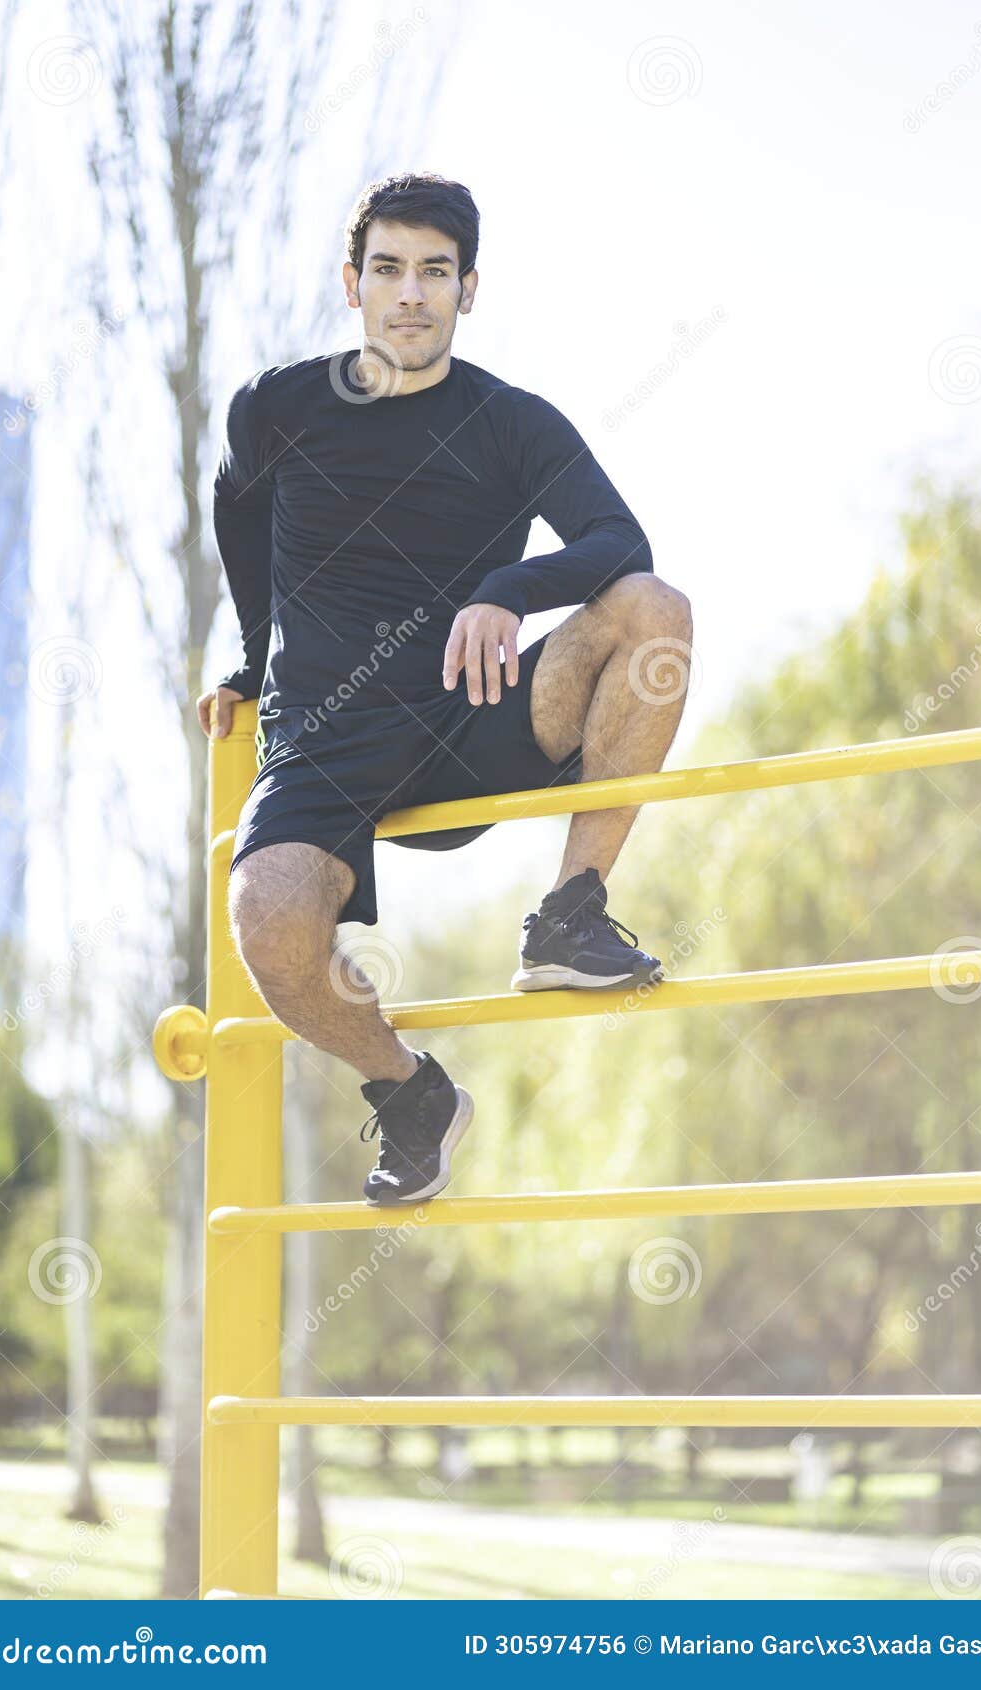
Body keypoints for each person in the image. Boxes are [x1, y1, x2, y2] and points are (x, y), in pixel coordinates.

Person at [196, 172, 693, 1206]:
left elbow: (620, 541)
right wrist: (251, 655)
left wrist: (508, 590)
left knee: (654, 610)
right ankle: (412, 1093)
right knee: (267, 922)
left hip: (474, 719)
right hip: (325, 745)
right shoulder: (275, 408)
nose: (411, 293)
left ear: (469, 288)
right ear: (353, 284)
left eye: (435, 271)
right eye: (388, 269)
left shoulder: (512, 422)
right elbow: (234, 506)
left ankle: (570, 914)